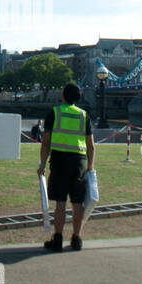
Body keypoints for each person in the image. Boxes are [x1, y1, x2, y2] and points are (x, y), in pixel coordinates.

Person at [38, 83, 96, 252]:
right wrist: (90, 166)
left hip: (59, 160)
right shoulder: (84, 115)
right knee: (78, 203)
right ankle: (77, 239)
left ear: (63, 95)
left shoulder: (54, 113)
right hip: (79, 161)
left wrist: (42, 164)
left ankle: (57, 239)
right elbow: (91, 145)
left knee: (60, 203)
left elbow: (46, 142)